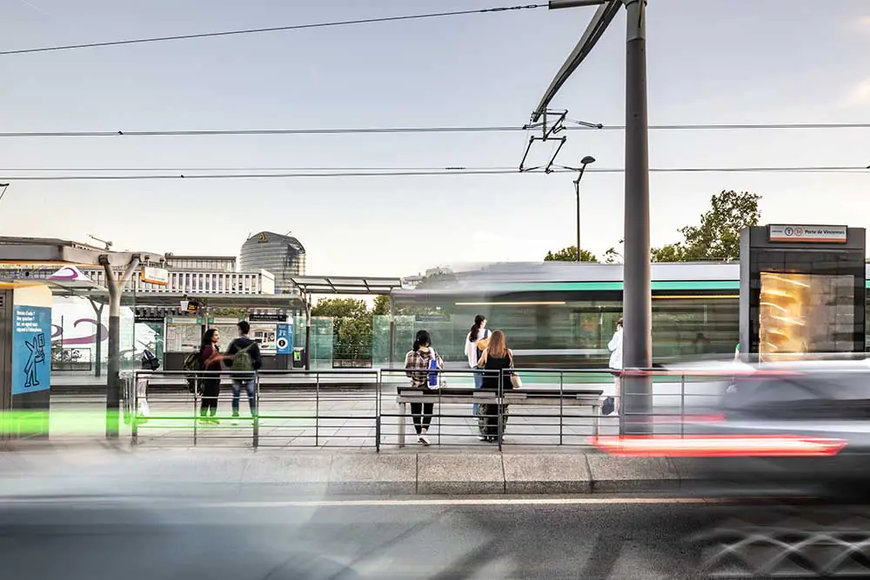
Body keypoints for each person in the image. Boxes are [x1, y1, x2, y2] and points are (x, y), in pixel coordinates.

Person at [404, 330, 442, 446]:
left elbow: (407, 373)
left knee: (415, 411)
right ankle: (424, 432)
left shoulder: (410, 354)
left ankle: (419, 433)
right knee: (428, 410)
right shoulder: (433, 353)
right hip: (430, 387)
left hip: (415, 387)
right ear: (428, 341)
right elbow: (441, 367)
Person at [476, 330, 514, 442]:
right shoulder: (508, 352)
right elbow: (512, 366)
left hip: (489, 386)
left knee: (486, 409)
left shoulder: (487, 351)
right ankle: (499, 433)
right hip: (504, 387)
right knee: (502, 409)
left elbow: (479, 364)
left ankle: (486, 433)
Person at [224, 320, 263, 425]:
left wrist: (232, 366)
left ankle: (235, 417)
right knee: (251, 395)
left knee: (236, 395)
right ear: (248, 330)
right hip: (249, 373)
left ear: (240, 330)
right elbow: (259, 361)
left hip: (236, 373)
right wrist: (253, 368)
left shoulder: (234, 343)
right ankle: (254, 417)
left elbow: (226, 358)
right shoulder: (253, 344)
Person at [464, 315, 491, 438]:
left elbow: (466, 352)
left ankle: (475, 413)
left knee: (478, 388)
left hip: (474, 365)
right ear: (482, 322)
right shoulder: (487, 333)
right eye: (484, 321)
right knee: (487, 388)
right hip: (485, 364)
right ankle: (484, 413)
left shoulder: (470, 334)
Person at [199, 328, 226, 424]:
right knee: (207, 397)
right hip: (209, 376)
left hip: (215, 377)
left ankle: (211, 416)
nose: (218, 337)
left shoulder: (215, 348)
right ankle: (204, 417)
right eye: (216, 335)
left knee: (214, 397)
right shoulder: (208, 349)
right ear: (210, 337)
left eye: (218, 335)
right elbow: (206, 361)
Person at [605, 318, 623, 416]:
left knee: (617, 388)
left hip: (617, 366)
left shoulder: (618, 334)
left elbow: (611, 346)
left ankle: (616, 410)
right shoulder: (631, 334)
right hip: (626, 365)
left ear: (619, 325)